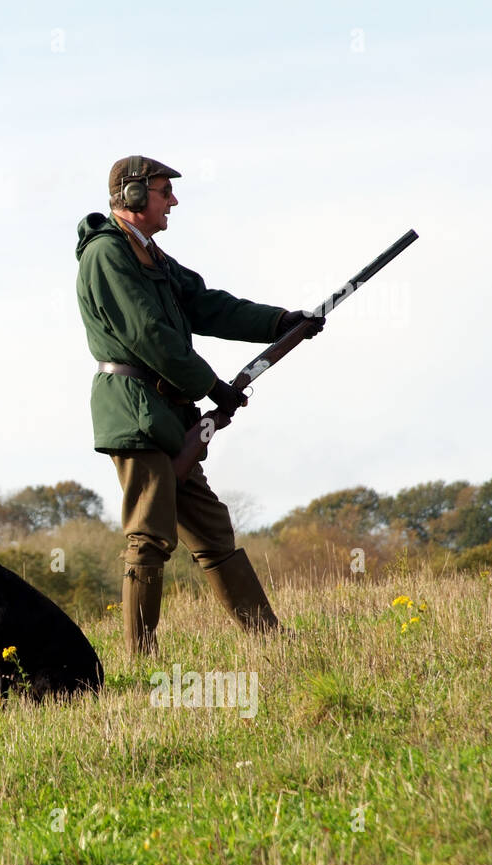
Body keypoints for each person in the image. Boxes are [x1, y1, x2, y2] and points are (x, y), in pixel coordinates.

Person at [74, 155, 322, 654]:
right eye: (165, 192)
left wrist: (279, 323)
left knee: (211, 529)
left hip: (166, 411)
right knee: (148, 537)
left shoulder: (151, 255)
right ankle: (140, 657)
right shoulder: (107, 254)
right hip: (135, 411)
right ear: (134, 196)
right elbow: (149, 335)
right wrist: (213, 386)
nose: (174, 202)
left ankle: (270, 641)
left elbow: (208, 305)